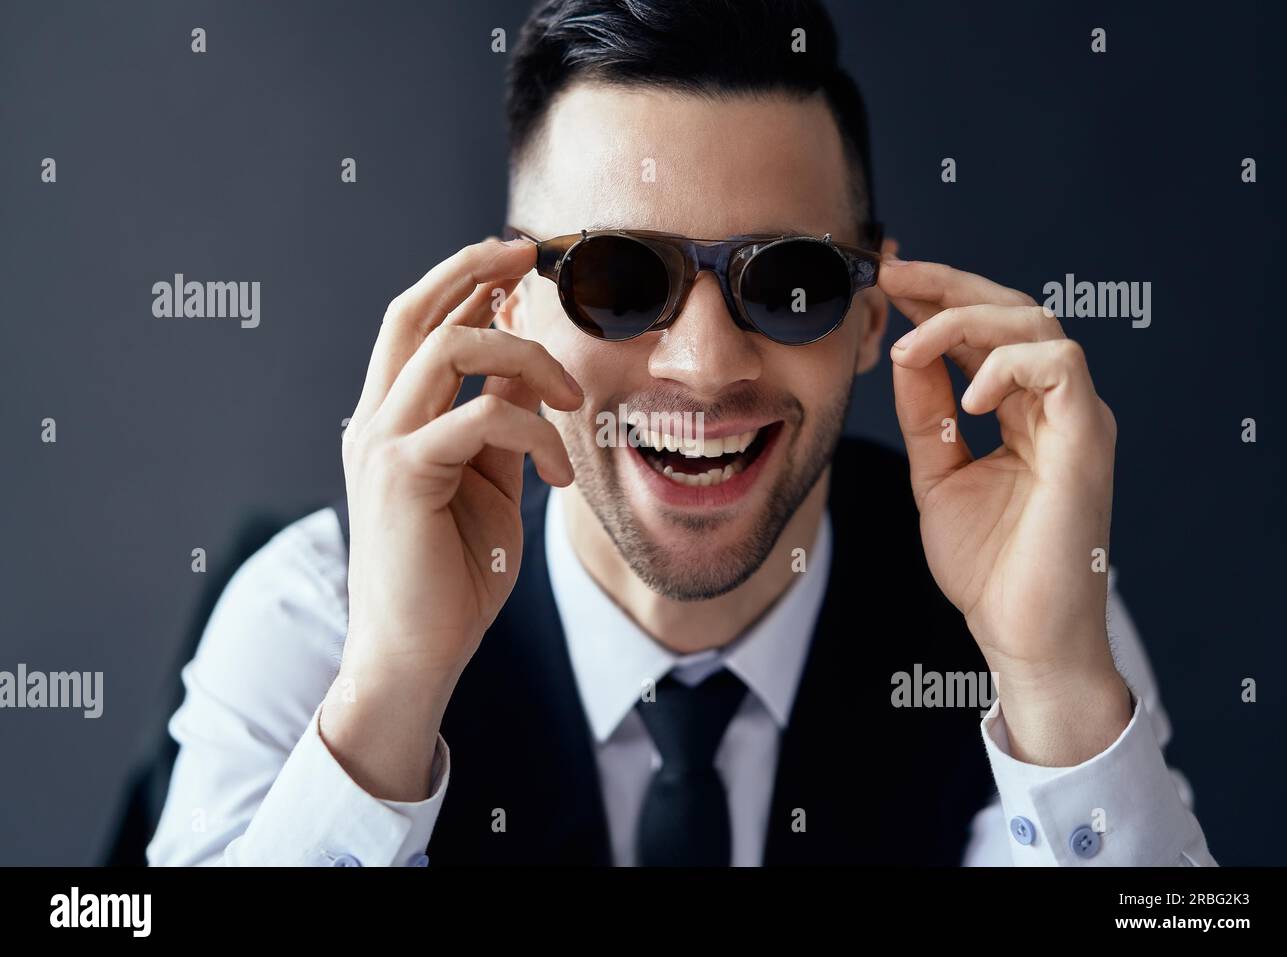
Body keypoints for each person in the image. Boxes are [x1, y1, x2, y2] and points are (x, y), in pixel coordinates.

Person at [147, 0, 1213, 867]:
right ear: (508, 303)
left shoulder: (1029, 611)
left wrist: (1051, 690)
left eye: (789, 281)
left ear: (868, 318)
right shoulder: (315, 610)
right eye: (618, 276)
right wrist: (388, 695)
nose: (704, 367)